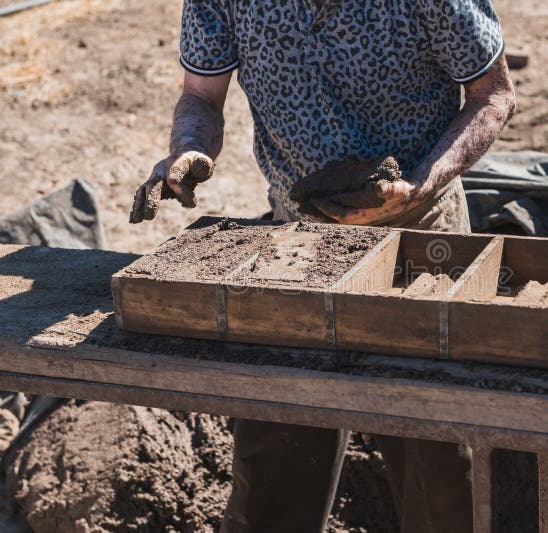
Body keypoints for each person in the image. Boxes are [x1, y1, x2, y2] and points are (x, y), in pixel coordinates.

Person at [130, 1, 515, 531]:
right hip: (298, 242)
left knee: (438, 459)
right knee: (278, 449)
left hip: (420, 240)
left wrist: (422, 183)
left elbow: (491, 95)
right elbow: (200, 94)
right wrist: (188, 149)